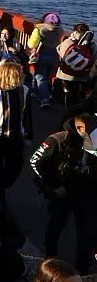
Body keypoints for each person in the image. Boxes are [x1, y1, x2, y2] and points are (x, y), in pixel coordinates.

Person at [29, 112, 97, 270]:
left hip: (87, 194)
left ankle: (82, 271)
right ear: (79, 128)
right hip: (62, 192)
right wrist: (53, 185)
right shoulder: (57, 140)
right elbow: (35, 161)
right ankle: (50, 262)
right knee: (55, 228)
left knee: (87, 233)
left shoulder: (94, 140)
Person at [0, 59, 33, 201]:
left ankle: (0, 187)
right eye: (18, 73)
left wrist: (28, 135)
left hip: (16, 136)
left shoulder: (24, 90)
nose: (22, 76)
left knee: (15, 166)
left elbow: (27, 114)